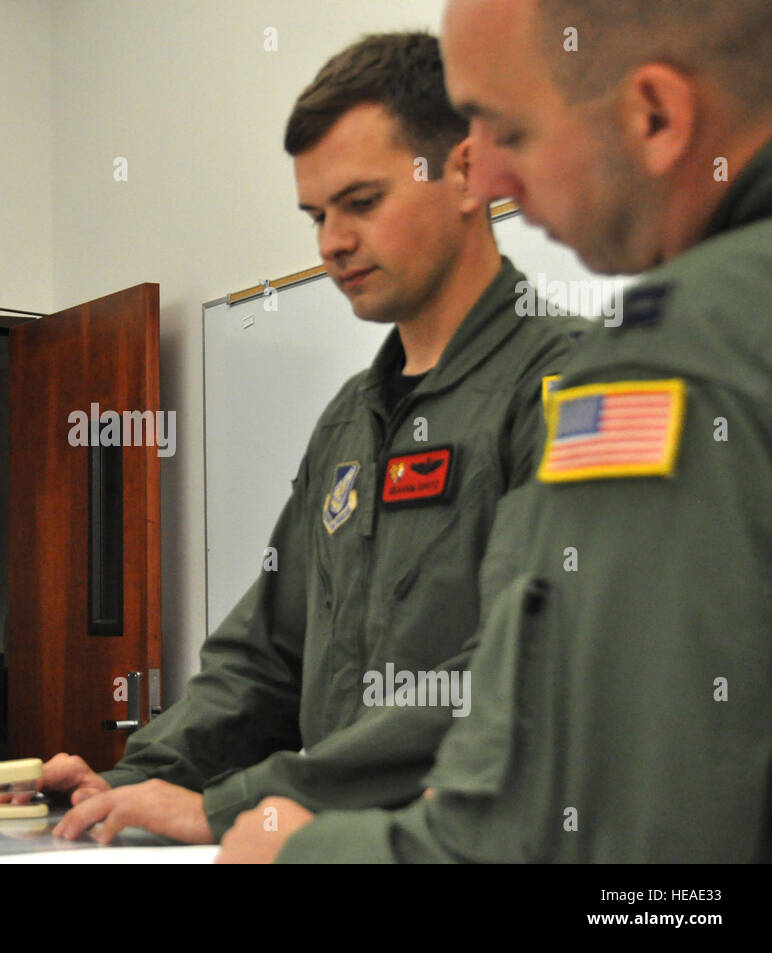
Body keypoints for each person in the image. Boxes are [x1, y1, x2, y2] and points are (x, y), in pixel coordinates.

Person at [220, 0, 772, 863]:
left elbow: (643, 861)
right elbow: (264, 651)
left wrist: (296, 849)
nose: (495, 181)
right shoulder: (349, 419)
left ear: (657, 115)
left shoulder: (661, 365)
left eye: (512, 135)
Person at [10, 33, 585, 844]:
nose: (330, 243)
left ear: (464, 172)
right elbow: (265, 657)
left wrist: (236, 800)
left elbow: (516, 674)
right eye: (318, 215)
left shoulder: (569, 385)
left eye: (361, 202)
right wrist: (137, 777)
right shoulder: (352, 417)